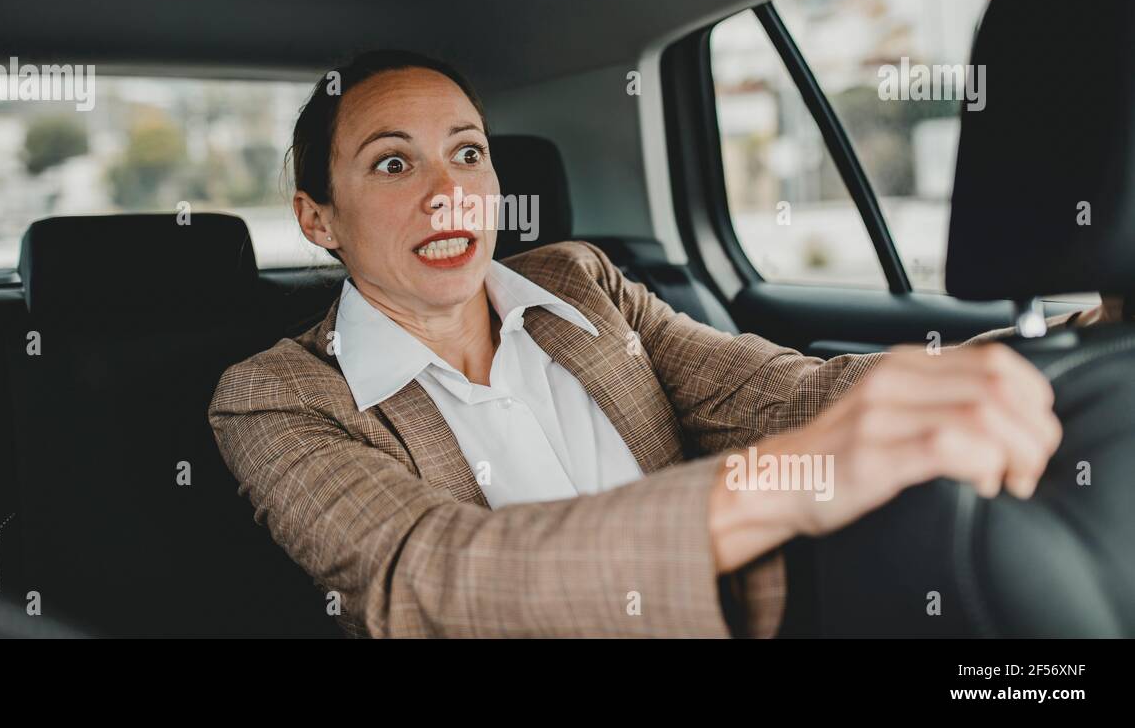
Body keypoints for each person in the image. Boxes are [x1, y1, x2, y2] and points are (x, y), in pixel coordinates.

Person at [208, 49, 1099, 637]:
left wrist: (1055, 344)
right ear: (316, 218)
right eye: (394, 163)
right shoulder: (276, 395)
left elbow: (782, 395)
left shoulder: (576, 282)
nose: (450, 194)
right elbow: (426, 578)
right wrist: (778, 487)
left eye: (469, 153)